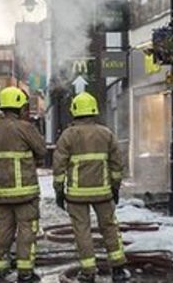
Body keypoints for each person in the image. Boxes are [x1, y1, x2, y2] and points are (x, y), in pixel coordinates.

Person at [54, 92, 128, 282]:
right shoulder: (106, 133)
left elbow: (59, 166)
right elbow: (117, 164)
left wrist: (59, 191)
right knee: (110, 227)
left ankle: (88, 272)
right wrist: (115, 187)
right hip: (103, 193)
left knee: (82, 231)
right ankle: (118, 269)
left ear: (75, 111)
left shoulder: (68, 135)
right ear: (94, 110)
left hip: (76, 195)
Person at [0, 87, 46, 282]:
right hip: (25, 192)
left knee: (2, 230)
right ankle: (25, 272)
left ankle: (0, 269)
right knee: (26, 231)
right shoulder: (24, 127)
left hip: (1, 192)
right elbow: (42, 150)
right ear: (19, 106)